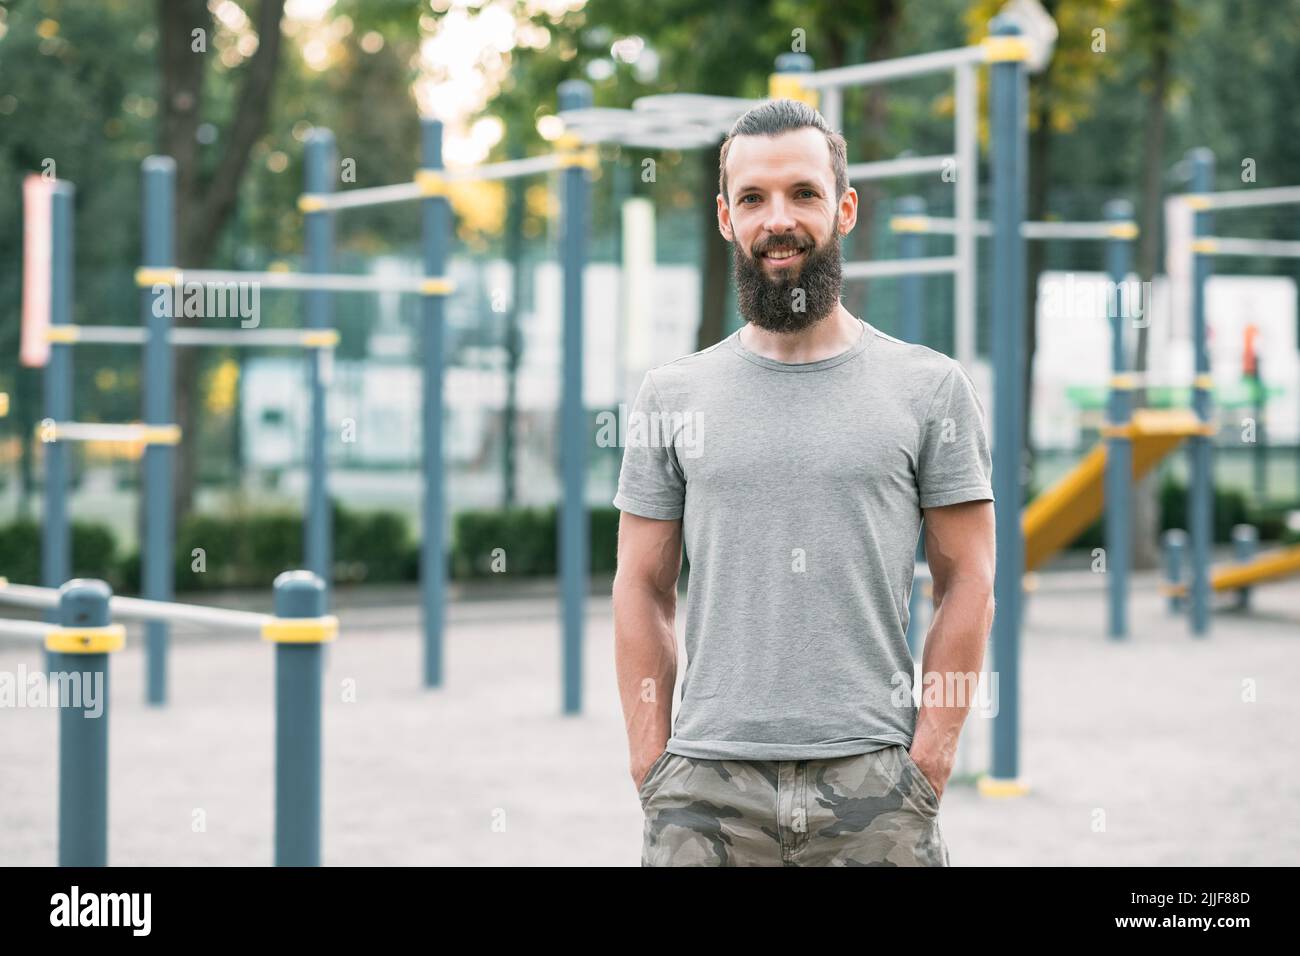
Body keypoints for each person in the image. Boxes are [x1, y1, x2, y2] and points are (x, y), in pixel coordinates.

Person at [611, 98, 996, 866]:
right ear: (726, 217)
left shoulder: (930, 388)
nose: (777, 219)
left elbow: (971, 579)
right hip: (704, 790)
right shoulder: (671, 395)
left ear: (844, 207)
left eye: (803, 193)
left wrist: (932, 756)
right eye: (753, 198)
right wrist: (652, 763)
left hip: (877, 788)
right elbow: (639, 586)